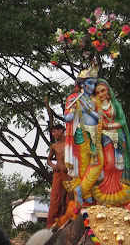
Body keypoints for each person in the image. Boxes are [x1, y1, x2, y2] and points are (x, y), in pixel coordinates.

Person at [63, 64, 103, 206]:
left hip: (95, 135)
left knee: (99, 164)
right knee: (84, 166)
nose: (93, 86)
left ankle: (82, 190)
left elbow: (100, 118)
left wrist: (87, 109)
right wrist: (73, 110)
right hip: (82, 134)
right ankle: (85, 194)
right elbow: (66, 118)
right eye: (90, 83)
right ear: (82, 84)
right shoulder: (73, 97)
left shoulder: (94, 100)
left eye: (94, 83)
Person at [91, 79, 130, 205]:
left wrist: (109, 126)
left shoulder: (114, 105)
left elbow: (122, 121)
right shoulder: (96, 107)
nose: (101, 94)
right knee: (109, 164)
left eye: (103, 90)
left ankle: (120, 196)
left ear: (108, 91)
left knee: (120, 165)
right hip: (104, 139)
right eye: (98, 92)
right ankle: (107, 194)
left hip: (118, 137)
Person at [46, 124, 68, 228]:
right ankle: (51, 223)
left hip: (69, 173)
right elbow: (48, 160)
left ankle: (68, 218)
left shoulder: (70, 143)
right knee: (56, 197)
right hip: (58, 173)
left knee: (69, 196)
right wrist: (53, 166)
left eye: (55, 131)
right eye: (52, 132)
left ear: (61, 130)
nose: (53, 134)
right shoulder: (54, 146)